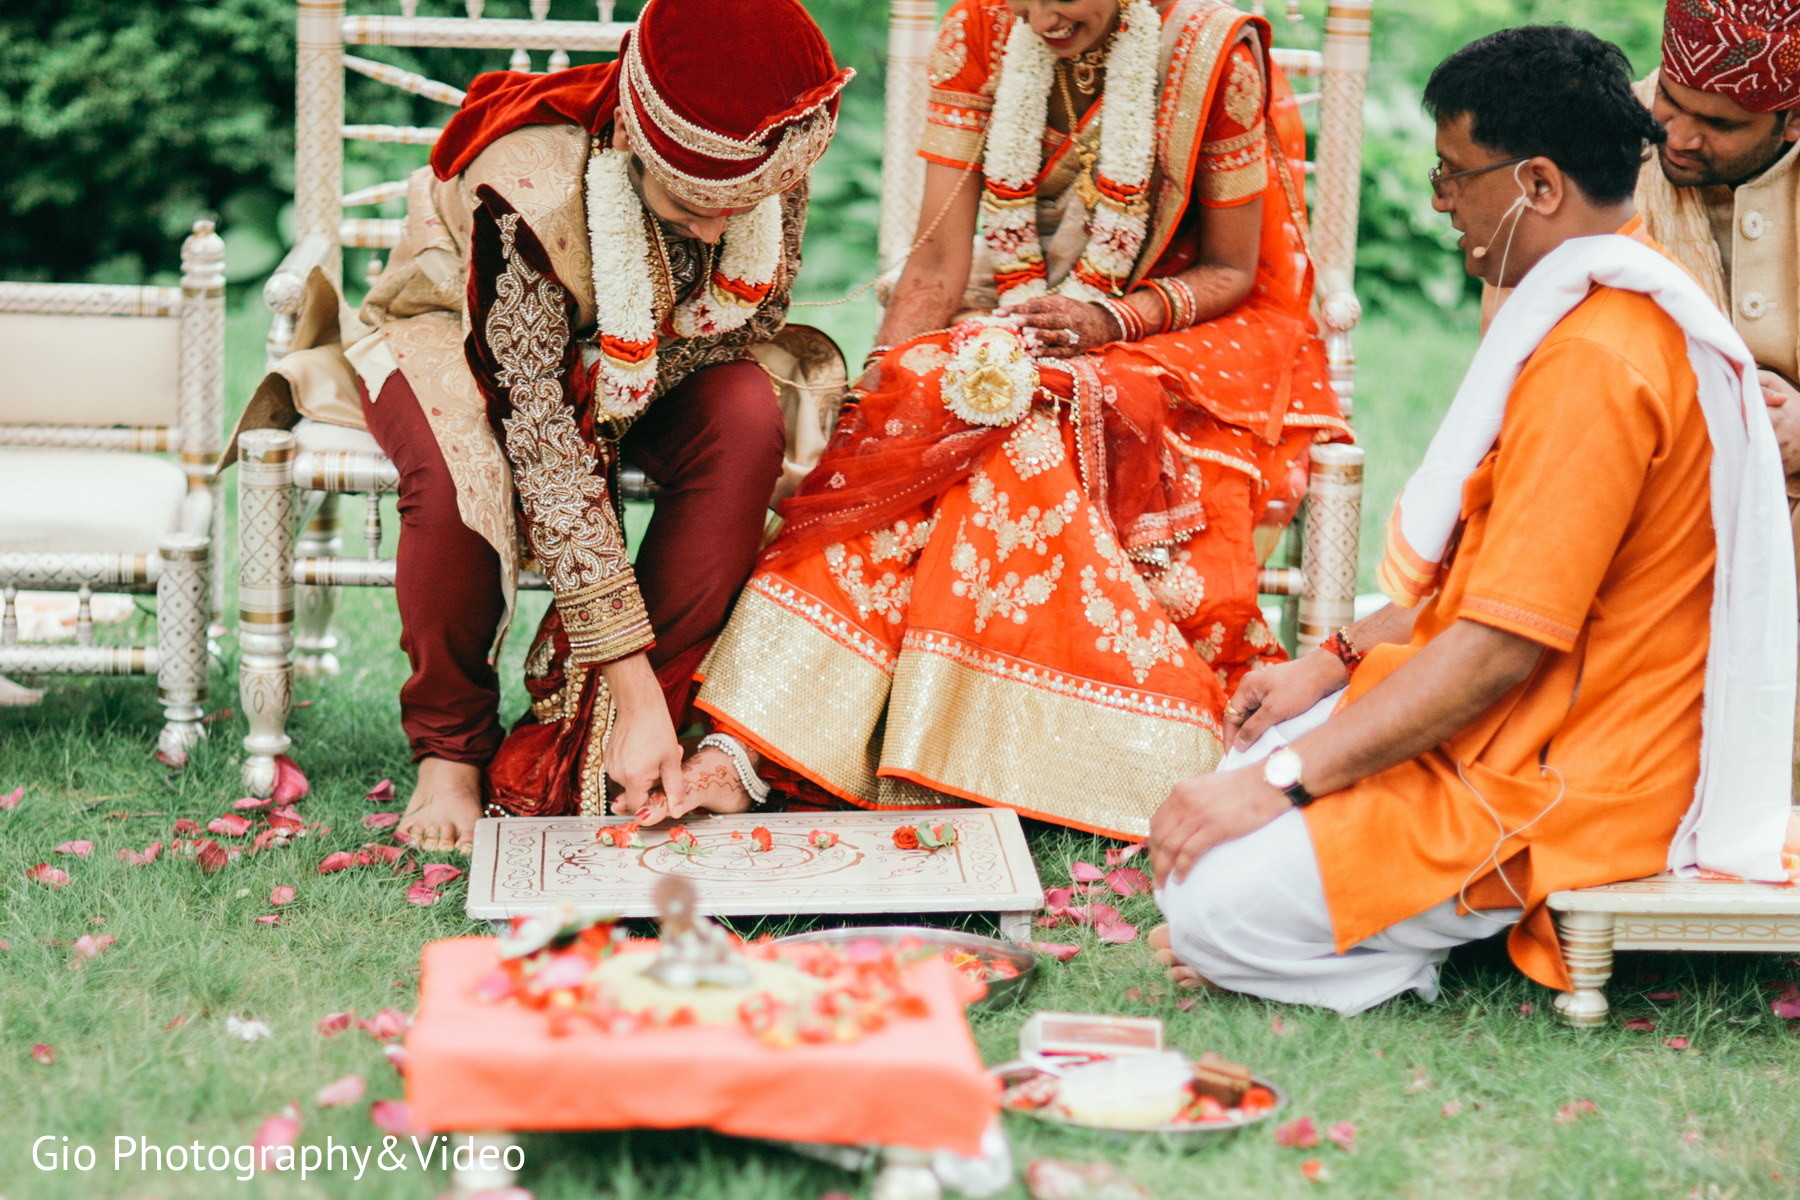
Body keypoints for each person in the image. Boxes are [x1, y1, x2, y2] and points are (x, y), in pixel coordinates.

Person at [1147, 25, 1795, 1013]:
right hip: (1530, 717)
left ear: (1537, 186)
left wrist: (1277, 785)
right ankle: (1337, 907)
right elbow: (1477, 580)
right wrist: (1325, 663)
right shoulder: (1594, 302)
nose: (1442, 201)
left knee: (1209, 897)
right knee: (1260, 747)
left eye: (1455, 175)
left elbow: (1497, 649)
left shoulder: (1597, 361)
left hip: (1567, 779)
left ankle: (1407, 953)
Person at [659, 0, 1348, 841]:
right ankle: (751, 743)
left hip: (1180, 339)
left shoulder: (1212, 54)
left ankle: (853, 747)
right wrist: (878, 406)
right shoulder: (980, 32)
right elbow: (939, 259)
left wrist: (1111, 324)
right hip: (1023, 317)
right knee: (934, 401)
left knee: (1020, 418)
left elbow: (1235, 271)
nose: (1040, 15)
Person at [281, 0, 849, 850]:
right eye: (692, 202)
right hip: (457, 332)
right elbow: (541, 438)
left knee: (744, 418)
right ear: (633, 143)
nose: (717, 227)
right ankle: (452, 749)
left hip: (662, 347)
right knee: (456, 481)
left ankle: (641, 724)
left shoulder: (763, 150)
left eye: (742, 205)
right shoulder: (526, 190)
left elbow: (748, 319)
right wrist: (592, 392)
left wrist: (626, 378)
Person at [1636, 0, 1800, 777]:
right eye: (1672, 99)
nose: (1676, 135)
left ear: (1791, 121)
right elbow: (1521, 333)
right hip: (1648, 492)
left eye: (1720, 125)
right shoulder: (1600, 137)